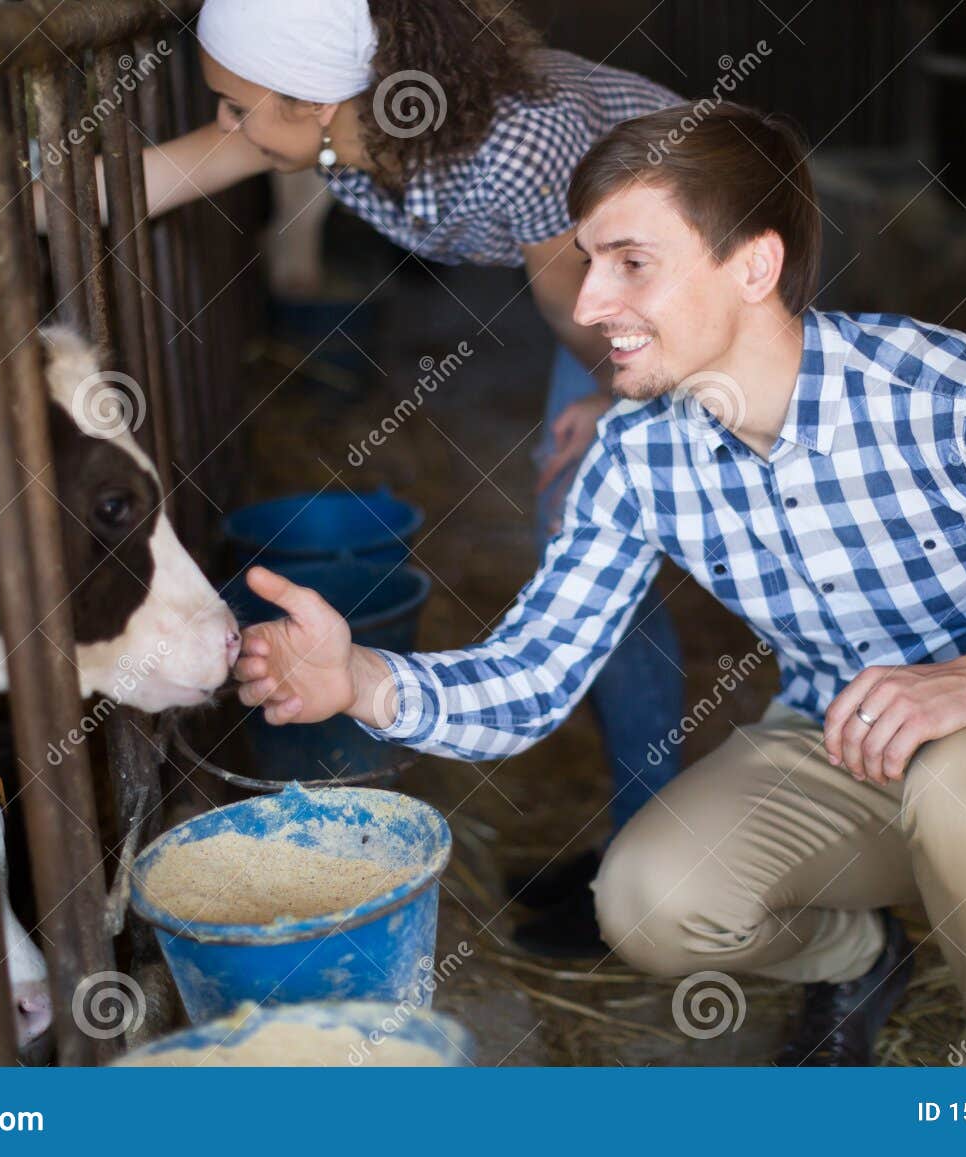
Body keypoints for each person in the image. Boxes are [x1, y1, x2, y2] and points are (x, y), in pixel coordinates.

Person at [229, 102, 966, 1065]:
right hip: (838, 741)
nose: (589, 303)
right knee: (644, 898)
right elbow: (535, 672)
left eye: (631, 262)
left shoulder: (957, 398)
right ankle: (859, 956)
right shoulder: (638, 454)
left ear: (754, 266)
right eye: (589, 262)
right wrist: (363, 677)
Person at [83, 0, 688, 951]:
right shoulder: (326, 122)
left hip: (680, 270)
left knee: (610, 535)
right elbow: (140, 181)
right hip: (599, 281)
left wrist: (627, 400)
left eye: (236, 106)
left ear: (314, 100)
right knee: (594, 542)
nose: (227, 124)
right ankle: (643, 844)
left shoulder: (509, 150)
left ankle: (666, 860)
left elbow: (591, 309)